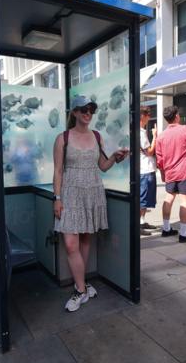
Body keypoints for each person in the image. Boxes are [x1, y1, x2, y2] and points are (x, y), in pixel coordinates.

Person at [53, 96, 130, 312]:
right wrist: (57, 198)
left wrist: (115, 157)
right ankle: (81, 289)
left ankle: (81, 285)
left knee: (86, 239)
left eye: (91, 110)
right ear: (75, 112)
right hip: (70, 194)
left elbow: (103, 166)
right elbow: (58, 171)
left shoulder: (97, 136)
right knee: (71, 243)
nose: (88, 113)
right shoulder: (62, 138)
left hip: (93, 192)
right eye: (84, 110)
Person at [155, 105, 186, 242]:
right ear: (177, 116)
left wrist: (163, 174)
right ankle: (183, 233)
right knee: (185, 201)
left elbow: (159, 160)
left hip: (170, 172)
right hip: (185, 171)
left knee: (169, 198)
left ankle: (166, 228)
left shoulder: (161, 137)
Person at [139, 107, 158, 235]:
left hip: (145, 169)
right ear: (142, 116)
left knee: (145, 199)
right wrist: (155, 136)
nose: (149, 117)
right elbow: (149, 152)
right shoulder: (140, 132)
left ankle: (142, 221)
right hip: (145, 169)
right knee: (143, 199)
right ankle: (138, 226)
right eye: (148, 115)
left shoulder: (141, 131)